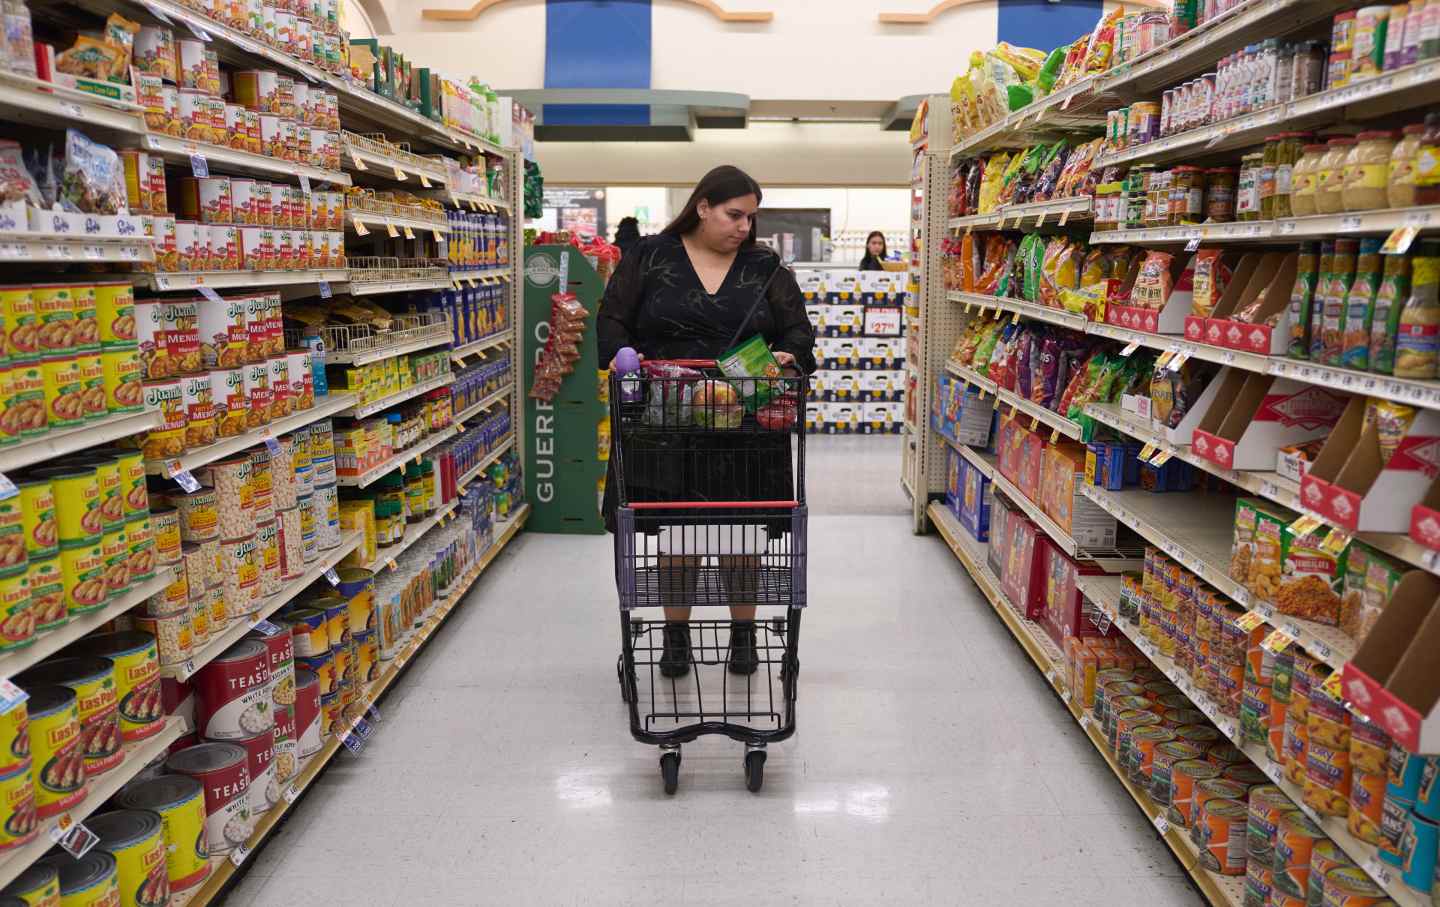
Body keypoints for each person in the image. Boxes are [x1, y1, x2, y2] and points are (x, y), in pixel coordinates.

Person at [598, 165, 816, 678]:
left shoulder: (766, 268)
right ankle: (676, 637)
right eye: (733, 214)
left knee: (740, 537)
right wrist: (622, 356)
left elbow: (799, 332)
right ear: (702, 207)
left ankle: (744, 636)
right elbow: (612, 319)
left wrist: (788, 356)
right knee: (679, 535)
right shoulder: (650, 257)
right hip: (668, 423)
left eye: (750, 217)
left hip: (747, 428)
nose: (744, 226)